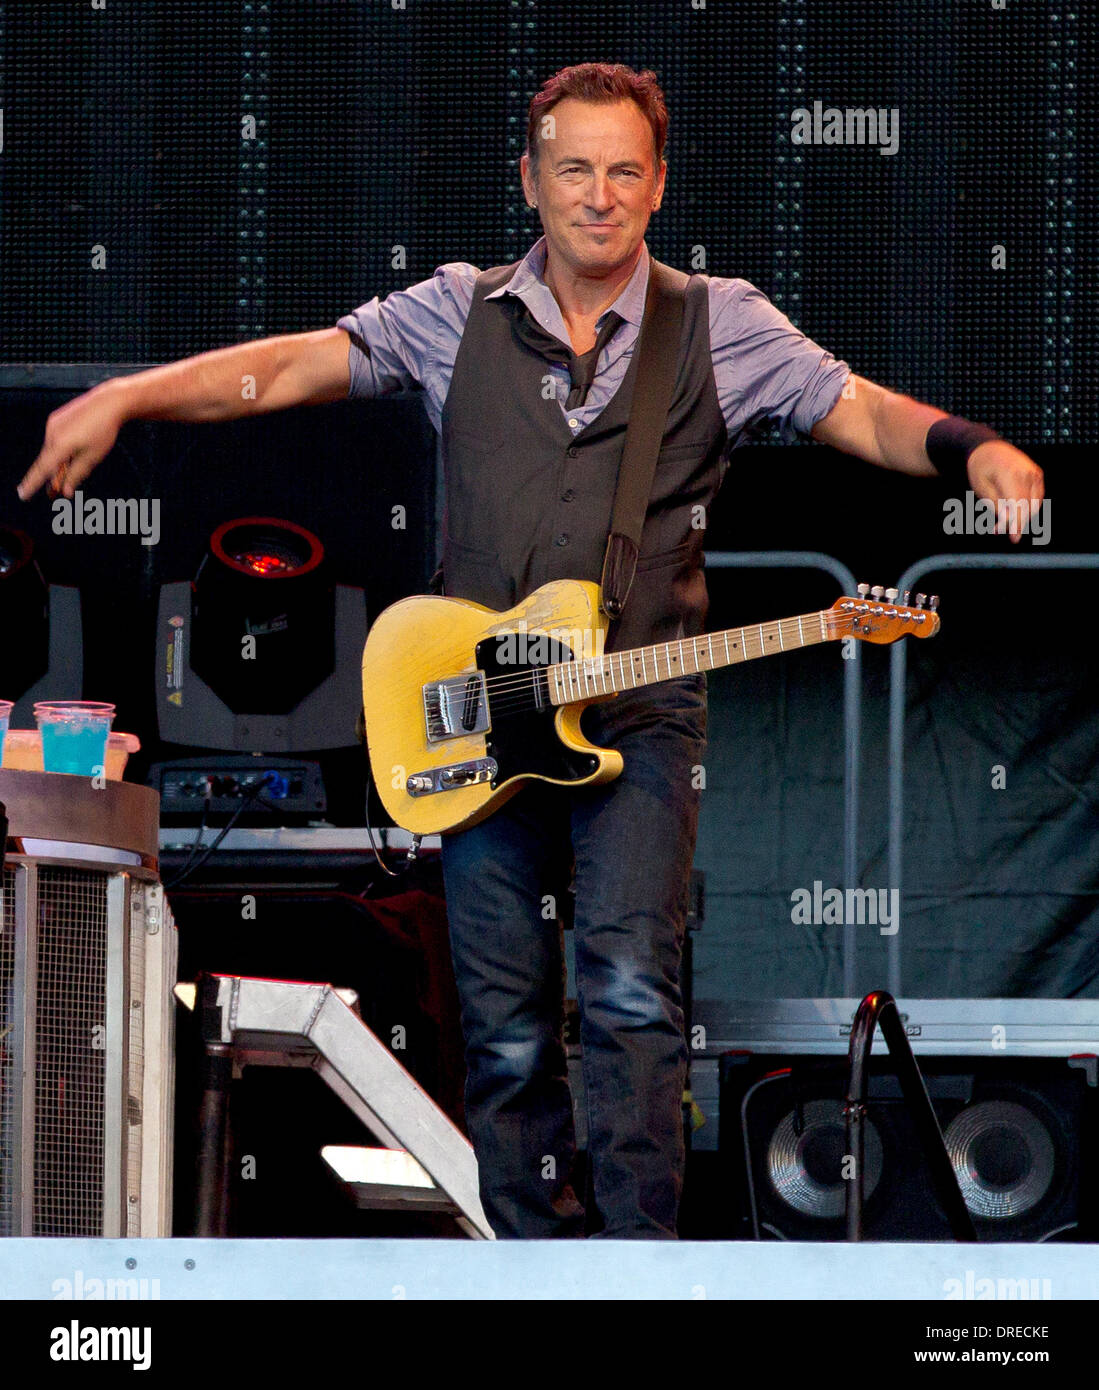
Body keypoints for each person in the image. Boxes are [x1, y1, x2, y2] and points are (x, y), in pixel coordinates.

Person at [18, 62, 1044, 1240]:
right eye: (573, 168)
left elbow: (852, 408)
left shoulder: (719, 322)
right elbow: (293, 366)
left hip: (641, 703)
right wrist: (129, 398)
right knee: (503, 1016)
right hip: (471, 700)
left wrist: (969, 444)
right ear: (530, 179)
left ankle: (635, 1264)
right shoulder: (458, 309)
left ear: (657, 186)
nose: (597, 196)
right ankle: (528, 1263)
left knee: (624, 992)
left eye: (622, 171)